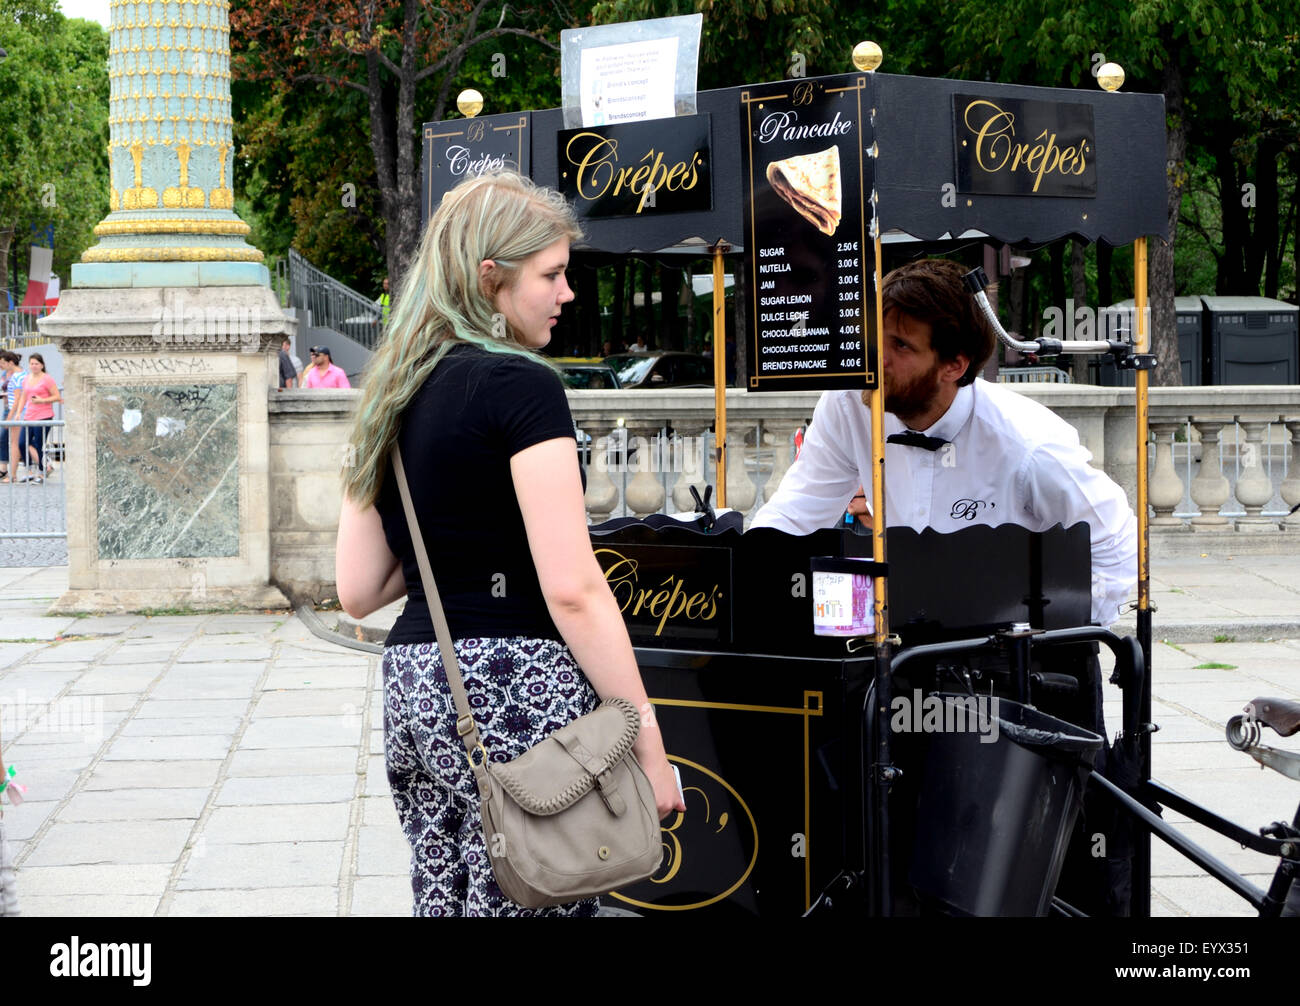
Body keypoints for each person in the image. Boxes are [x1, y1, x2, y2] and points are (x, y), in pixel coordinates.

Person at [334, 171, 683, 917]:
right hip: (511, 681)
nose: (567, 294)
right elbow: (574, 588)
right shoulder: (522, 387)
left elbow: (359, 589)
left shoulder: (391, 389)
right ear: (489, 278)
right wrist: (649, 747)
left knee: (450, 895)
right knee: (538, 895)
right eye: (552, 275)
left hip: (417, 683)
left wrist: (455, 535)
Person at [752, 257, 1136, 627]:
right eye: (873, 337)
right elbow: (794, 514)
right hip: (901, 641)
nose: (874, 358)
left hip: (1001, 655)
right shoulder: (849, 403)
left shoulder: (1027, 444)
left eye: (900, 346)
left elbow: (1119, 545)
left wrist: (1047, 630)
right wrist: (745, 575)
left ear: (953, 365)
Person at [15, 353, 59, 483]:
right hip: (29, 416)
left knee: (39, 444)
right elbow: (24, 396)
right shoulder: (27, 378)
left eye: (36, 364)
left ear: (42, 365)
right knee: (22, 442)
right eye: (32, 363)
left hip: (44, 416)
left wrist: (42, 400)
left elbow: (56, 396)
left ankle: (41, 472)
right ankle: (28, 471)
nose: (34, 366)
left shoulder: (47, 379)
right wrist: (18, 412)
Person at [0, 352, 26, 482]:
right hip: (20, 412)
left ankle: (13, 475)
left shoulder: (17, 376)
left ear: (10, 363)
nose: (2, 366)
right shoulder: (23, 374)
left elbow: (17, 399)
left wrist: (10, 417)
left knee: (15, 443)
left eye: (3, 363)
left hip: (17, 414)